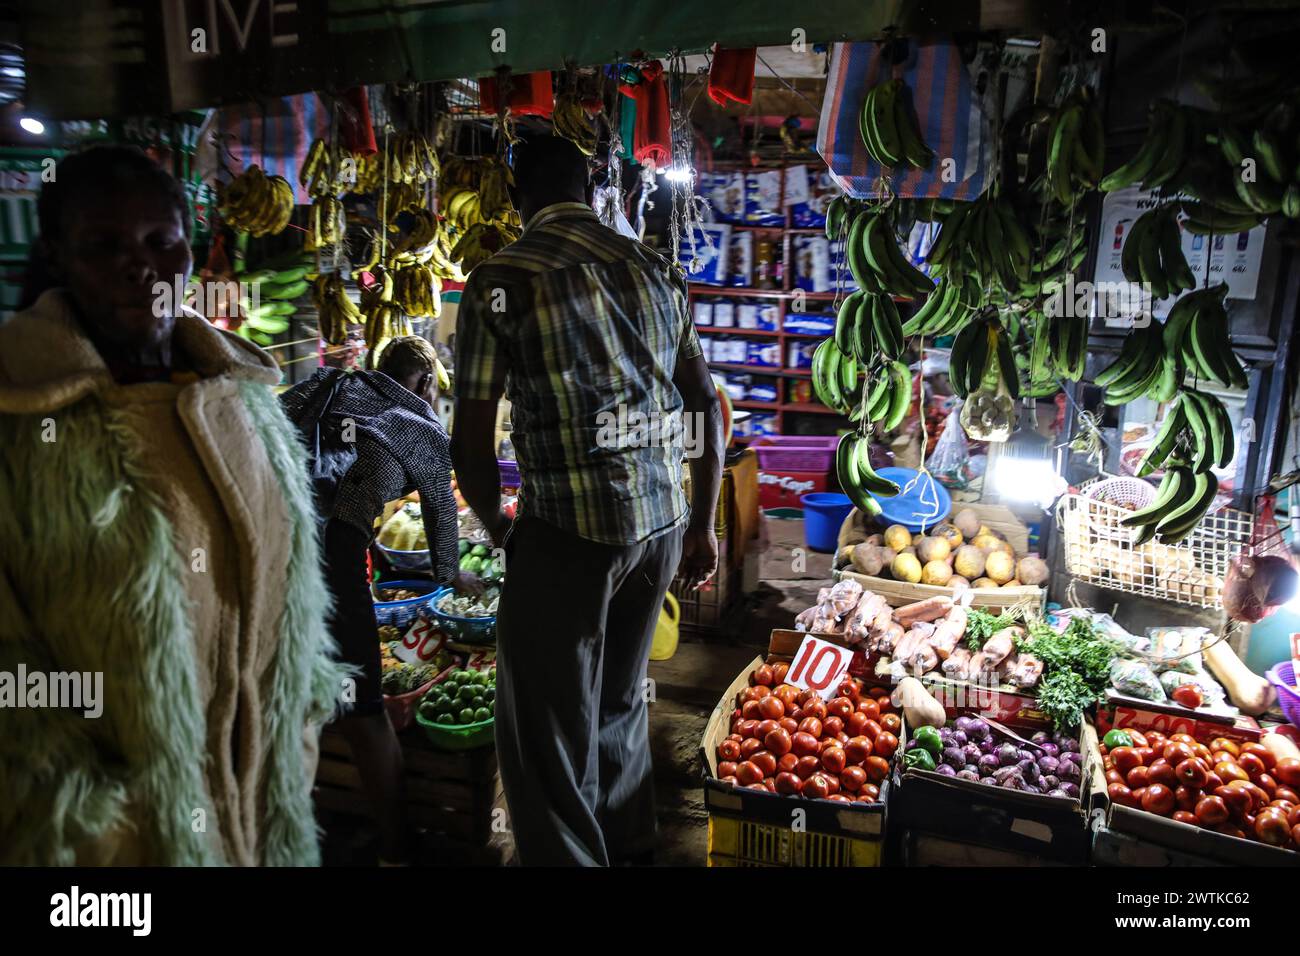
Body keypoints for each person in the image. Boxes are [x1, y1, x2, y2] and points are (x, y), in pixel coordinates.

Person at [0, 145, 344, 865]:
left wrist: (297, 738)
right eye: (105, 246)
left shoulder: (245, 402)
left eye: (162, 242)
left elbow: (294, 617)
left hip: (264, 822)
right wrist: (98, 822)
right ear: (60, 258)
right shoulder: (21, 427)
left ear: (190, 251)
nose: (141, 266)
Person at [452, 134, 724, 866]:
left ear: (517, 198)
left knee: (542, 735)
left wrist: (499, 527)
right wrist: (702, 525)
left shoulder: (500, 280)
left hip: (567, 531)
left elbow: (471, 443)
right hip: (659, 525)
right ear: (598, 185)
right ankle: (630, 848)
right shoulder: (653, 267)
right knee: (617, 701)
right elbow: (703, 401)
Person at [280, 335, 473, 865]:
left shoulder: (328, 389)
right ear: (429, 382)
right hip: (329, 555)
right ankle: (395, 848)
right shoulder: (420, 425)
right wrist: (456, 579)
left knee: (287, 695)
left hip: (267, 546)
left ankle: (291, 828)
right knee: (364, 709)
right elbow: (442, 530)